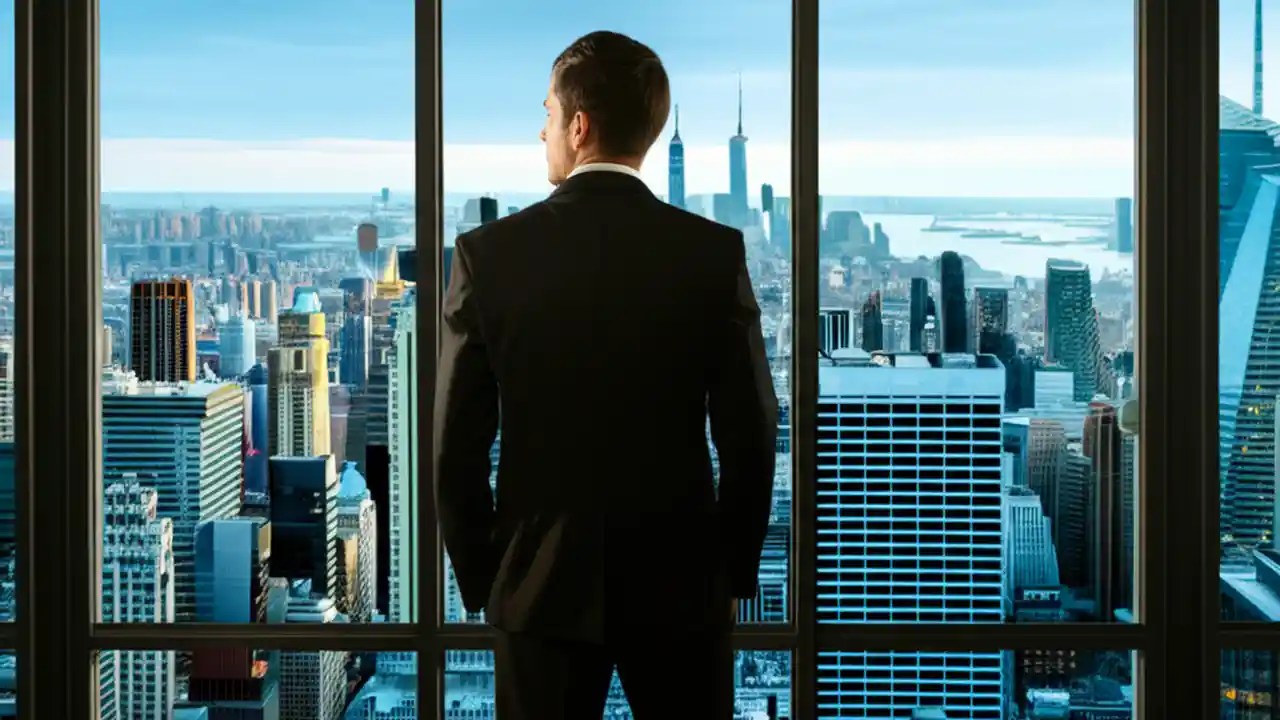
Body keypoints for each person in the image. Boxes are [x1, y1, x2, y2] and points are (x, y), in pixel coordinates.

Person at [434, 30, 778, 720]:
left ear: (580, 126)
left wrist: (488, 576)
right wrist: (729, 570)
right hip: (682, 584)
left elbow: (455, 445)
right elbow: (751, 429)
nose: (543, 132)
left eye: (549, 115)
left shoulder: (488, 256)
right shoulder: (710, 254)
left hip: (538, 583)